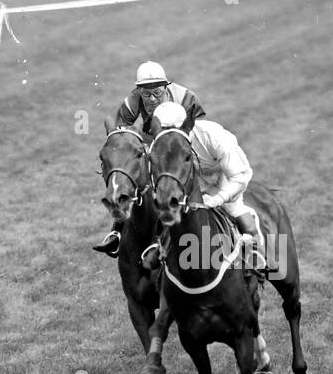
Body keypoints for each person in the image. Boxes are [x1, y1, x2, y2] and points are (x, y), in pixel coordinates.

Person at [94, 61, 206, 256]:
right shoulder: (131, 102)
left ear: (166, 87)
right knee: (133, 171)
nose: (153, 99)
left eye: (158, 93)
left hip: (180, 140)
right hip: (151, 139)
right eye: (146, 94)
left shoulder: (187, 99)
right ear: (138, 91)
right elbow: (123, 139)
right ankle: (117, 230)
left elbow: (198, 131)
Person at [151, 100, 266, 273]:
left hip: (224, 176)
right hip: (192, 179)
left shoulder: (212, 136)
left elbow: (239, 175)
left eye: (170, 131)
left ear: (185, 126)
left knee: (235, 212)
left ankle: (255, 255)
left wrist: (217, 199)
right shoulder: (162, 143)